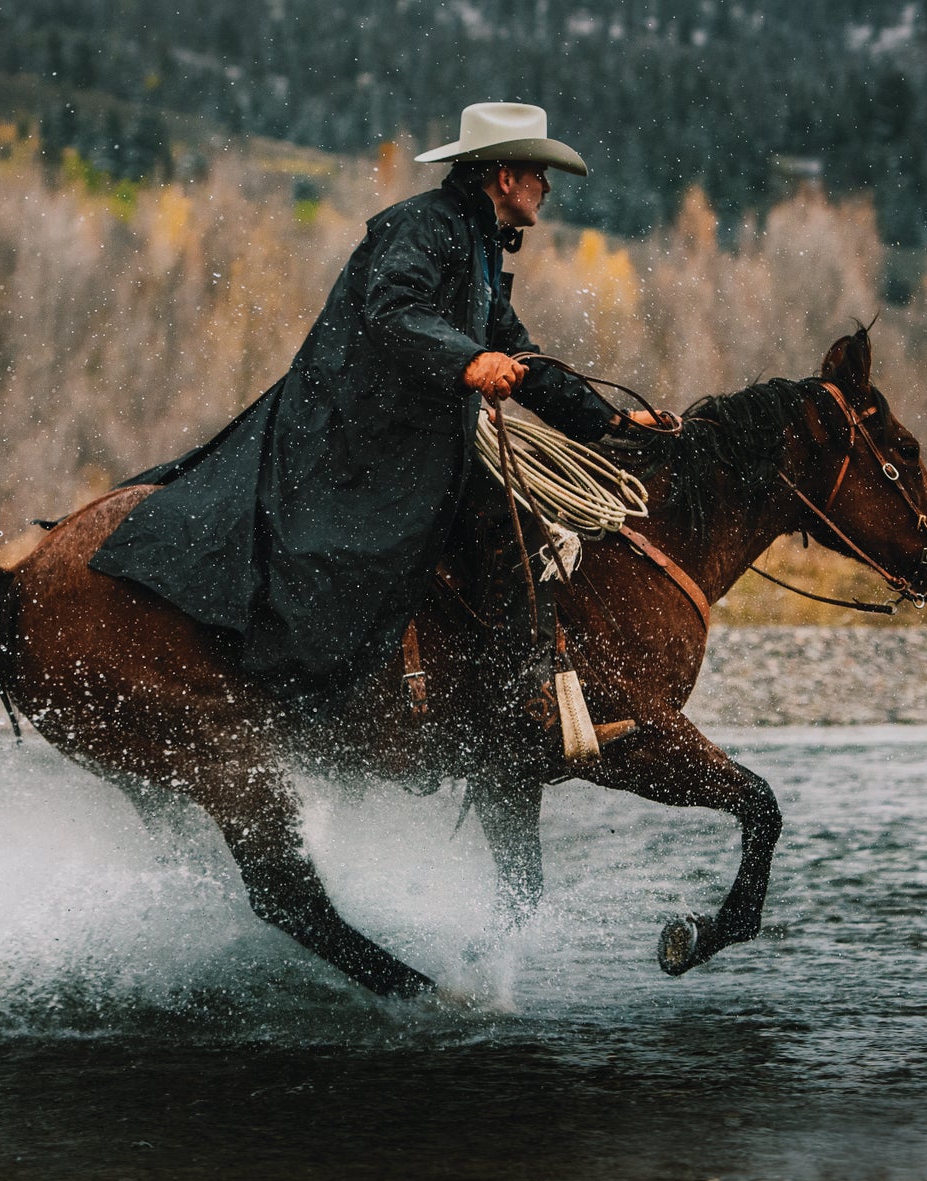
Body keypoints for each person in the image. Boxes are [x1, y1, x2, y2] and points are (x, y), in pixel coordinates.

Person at [91, 102, 664, 723]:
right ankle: (521, 703)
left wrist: (609, 422)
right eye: (538, 173)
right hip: (356, 436)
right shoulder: (422, 224)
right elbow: (393, 310)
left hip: (403, 436)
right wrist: (469, 362)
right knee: (513, 528)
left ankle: (509, 693)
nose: (546, 188)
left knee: (510, 526)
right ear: (504, 177)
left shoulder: (479, 247)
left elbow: (521, 354)